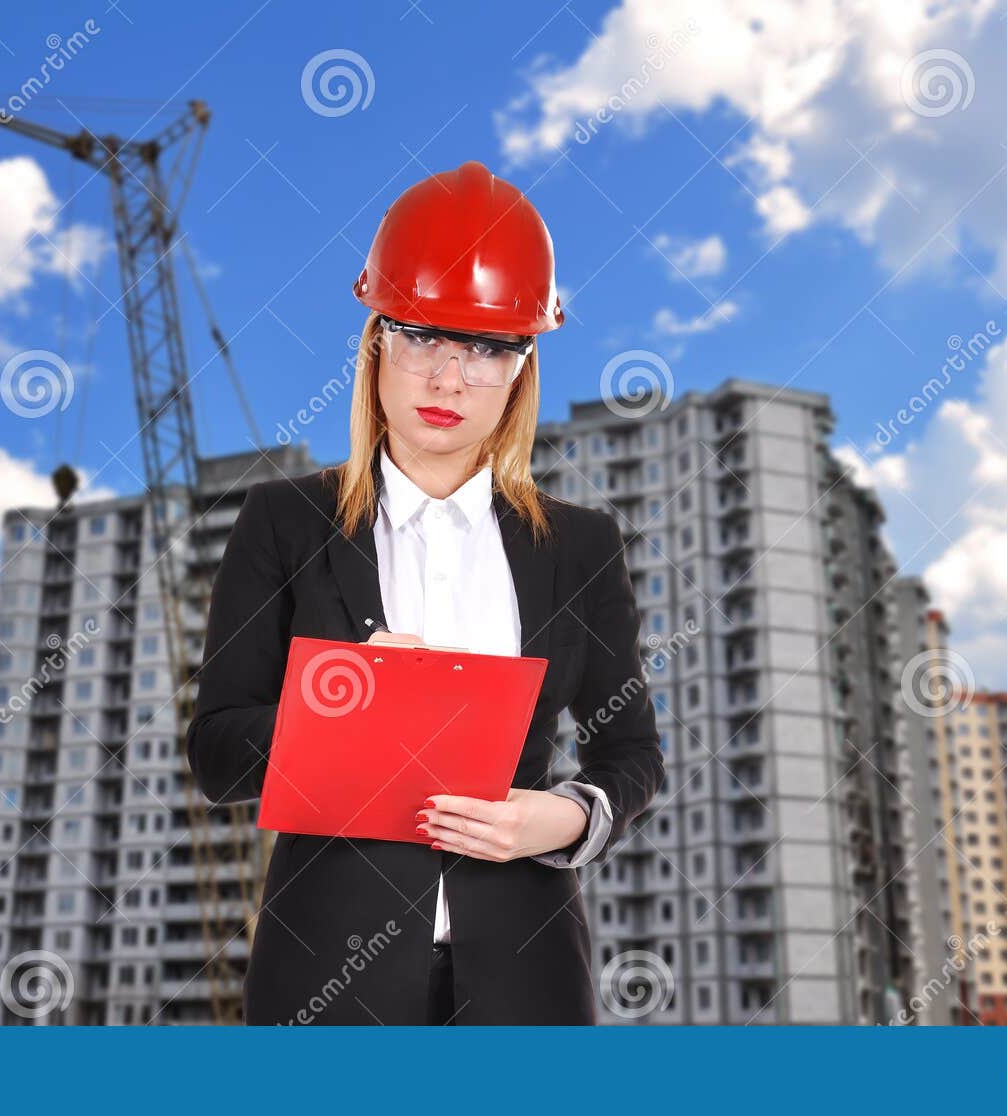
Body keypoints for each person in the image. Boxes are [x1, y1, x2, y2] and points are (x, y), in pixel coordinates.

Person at [186, 160, 664, 1025]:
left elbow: (631, 754)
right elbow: (217, 754)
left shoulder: (579, 546)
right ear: (376, 342)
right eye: (420, 337)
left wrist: (563, 820)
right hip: (325, 977)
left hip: (529, 976)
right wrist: (340, 706)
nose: (449, 379)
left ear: (522, 367)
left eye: (487, 348)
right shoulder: (285, 522)